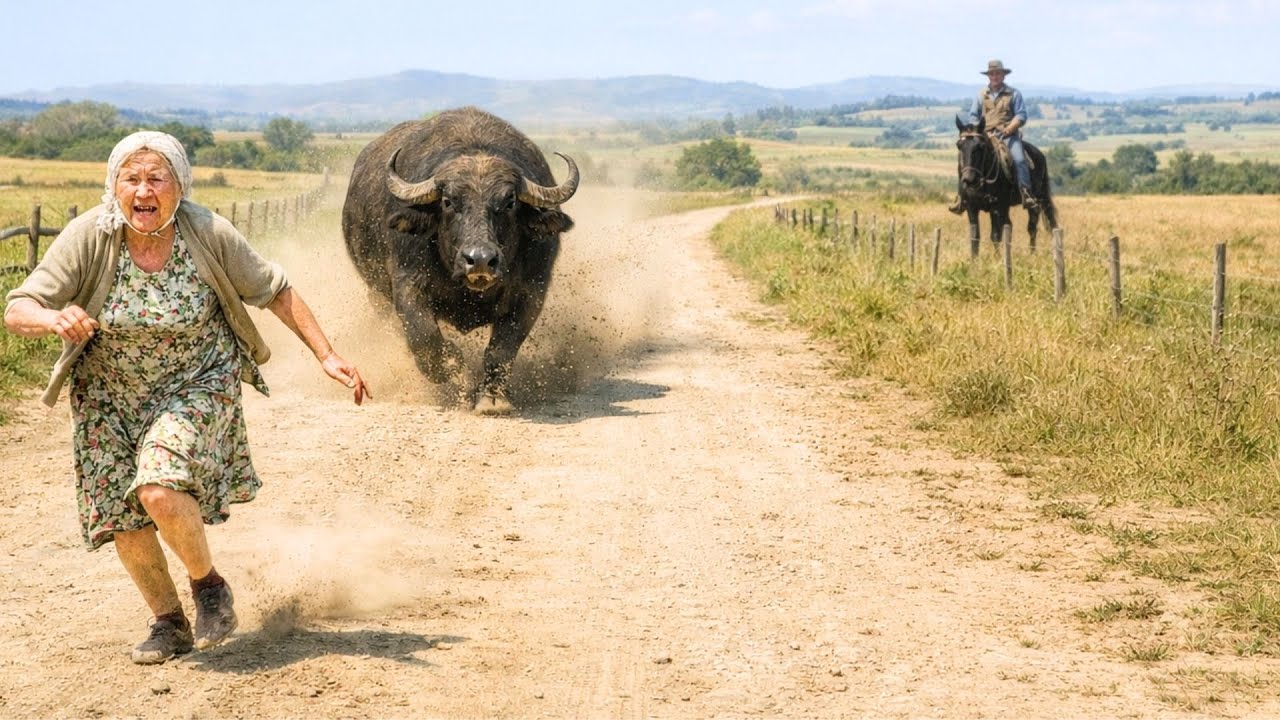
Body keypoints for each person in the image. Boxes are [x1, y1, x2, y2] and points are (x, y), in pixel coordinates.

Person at [3, 131, 370, 664]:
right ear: (113, 185)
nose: (143, 191)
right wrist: (52, 317)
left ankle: (208, 586)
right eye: (131, 179)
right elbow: (18, 307)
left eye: (157, 178)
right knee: (122, 516)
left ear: (180, 185)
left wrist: (327, 355)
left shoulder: (207, 232)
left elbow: (275, 290)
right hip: (106, 395)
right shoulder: (90, 235)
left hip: (195, 381)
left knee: (157, 488)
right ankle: (168, 623)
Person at [949, 59, 1039, 214]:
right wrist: (979, 131)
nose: (995, 76)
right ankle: (961, 197)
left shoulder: (1014, 94)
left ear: (1003, 75)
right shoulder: (981, 95)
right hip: (986, 135)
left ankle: (1026, 192)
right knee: (965, 159)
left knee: (1019, 159)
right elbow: (973, 116)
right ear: (988, 76)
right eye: (992, 74)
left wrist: (1010, 128)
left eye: (997, 73)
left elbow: (1021, 115)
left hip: (1008, 135)